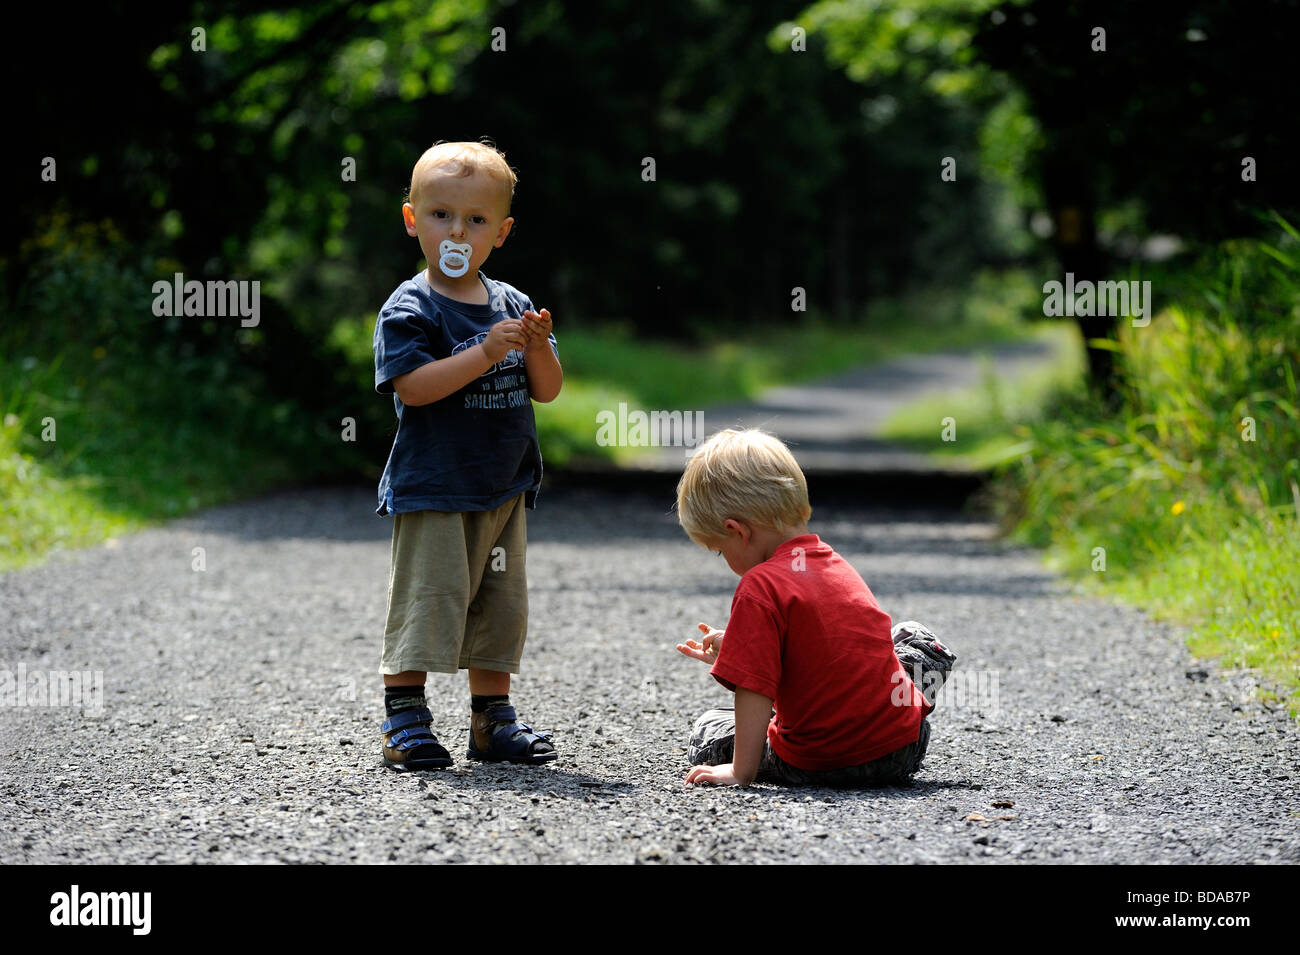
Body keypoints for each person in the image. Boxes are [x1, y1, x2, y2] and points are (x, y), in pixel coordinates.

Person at [372, 139, 563, 771]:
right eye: (441, 215)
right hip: (434, 484)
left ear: (501, 232)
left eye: (476, 220)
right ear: (411, 220)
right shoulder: (411, 307)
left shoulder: (510, 302)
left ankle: (492, 720)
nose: (458, 230)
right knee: (429, 601)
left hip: (503, 486)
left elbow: (549, 389)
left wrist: (535, 345)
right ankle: (404, 720)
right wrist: (483, 352)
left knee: (498, 609)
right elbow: (414, 389)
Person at [673, 428, 957, 787]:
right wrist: (738, 649)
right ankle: (895, 708)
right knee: (910, 635)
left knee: (707, 731)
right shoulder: (834, 564)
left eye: (719, 549)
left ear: (738, 532)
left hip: (819, 762)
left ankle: (771, 747)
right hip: (903, 748)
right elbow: (829, 646)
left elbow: (755, 689)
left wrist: (739, 772)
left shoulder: (758, 585)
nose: (723, 558)